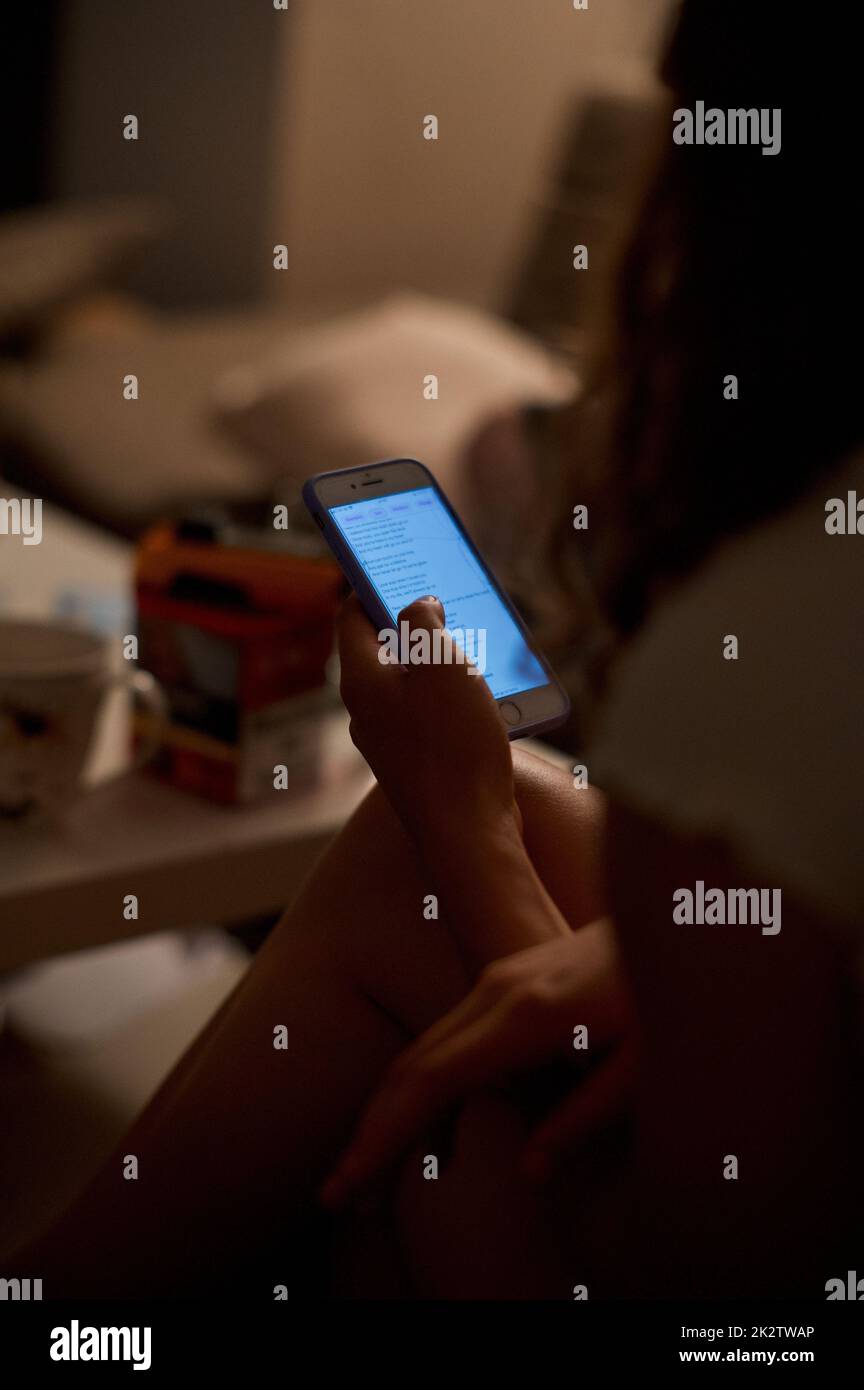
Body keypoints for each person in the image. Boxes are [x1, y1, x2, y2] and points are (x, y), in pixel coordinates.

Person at [15, 0, 862, 1298]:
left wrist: (456, 807)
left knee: (411, 1155)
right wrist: (617, 957)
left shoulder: (759, 664)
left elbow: (726, 1297)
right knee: (482, 826)